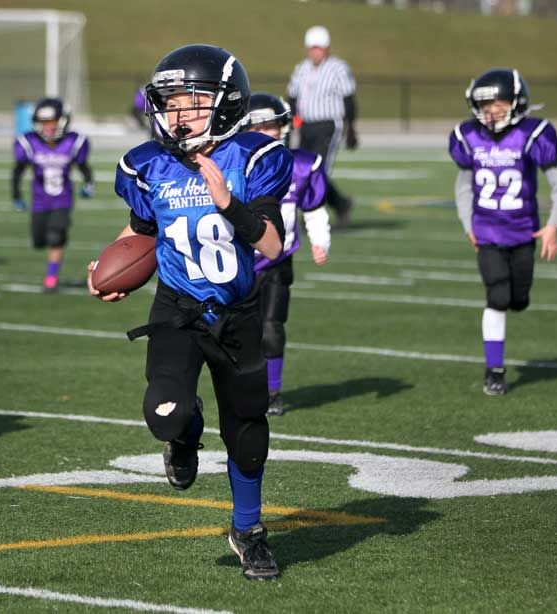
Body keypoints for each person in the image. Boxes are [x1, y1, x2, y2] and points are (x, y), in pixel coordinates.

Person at [88, 44, 291, 581]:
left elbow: (271, 245)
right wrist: (108, 269)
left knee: (246, 429)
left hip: (237, 313)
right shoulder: (147, 165)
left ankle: (248, 531)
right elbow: (142, 231)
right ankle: (184, 437)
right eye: (172, 104)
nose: (180, 116)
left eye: (194, 103)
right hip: (176, 310)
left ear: (226, 106)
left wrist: (228, 203)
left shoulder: (254, 158)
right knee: (165, 413)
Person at [448, 68, 557, 396]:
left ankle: (497, 362)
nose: (492, 111)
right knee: (497, 297)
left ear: (517, 103)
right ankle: (495, 370)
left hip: (524, 232)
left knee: (518, 299)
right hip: (487, 231)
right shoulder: (469, 136)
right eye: (485, 105)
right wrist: (467, 225)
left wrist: (554, 225)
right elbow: (462, 188)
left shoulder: (533, 134)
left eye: (499, 104)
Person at [243, 92, 330, 416]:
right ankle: (239, 388)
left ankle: (271, 391)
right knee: (232, 332)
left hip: (278, 259)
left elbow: (314, 208)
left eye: (274, 126)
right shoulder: (230, 164)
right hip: (236, 262)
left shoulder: (301, 164)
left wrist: (321, 240)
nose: (270, 133)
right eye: (261, 127)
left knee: (271, 326)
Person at [11, 97, 93, 291]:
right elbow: (18, 170)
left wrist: (89, 184)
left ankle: (51, 278)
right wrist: (16, 195)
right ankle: (51, 270)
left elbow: (83, 167)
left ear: (62, 120)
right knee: (39, 241)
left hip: (63, 199)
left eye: (52, 121)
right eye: (44, 122)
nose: (48, 127)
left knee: (56, 236)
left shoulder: (74, 141)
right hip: (39, 200)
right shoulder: (28, 142)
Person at [286, 25, 357, 226]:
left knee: (319, 170)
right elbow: (292, 96)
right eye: (312, 48)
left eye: (319, 47)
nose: (315, 52)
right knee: (303, 169)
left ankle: (312, 215)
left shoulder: (337, 68)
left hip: (328, 125)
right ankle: (341, 203)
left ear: (326, 48)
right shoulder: (302, 68)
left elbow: (349, 98)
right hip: (306, 126)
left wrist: (351, 128)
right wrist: (292, 122)